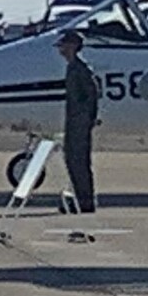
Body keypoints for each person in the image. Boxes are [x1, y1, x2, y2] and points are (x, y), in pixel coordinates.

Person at [57, 30, 100, 212]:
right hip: (74, 122)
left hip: (79, 123)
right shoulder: (73, 67)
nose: (61, 49)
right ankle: (80, 199)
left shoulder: (81, 69)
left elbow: (91, 96)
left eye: (64, 45)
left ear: (73, 46)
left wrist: (85, 120)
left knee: (79, 162)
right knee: (72, 161)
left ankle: (85, 202)